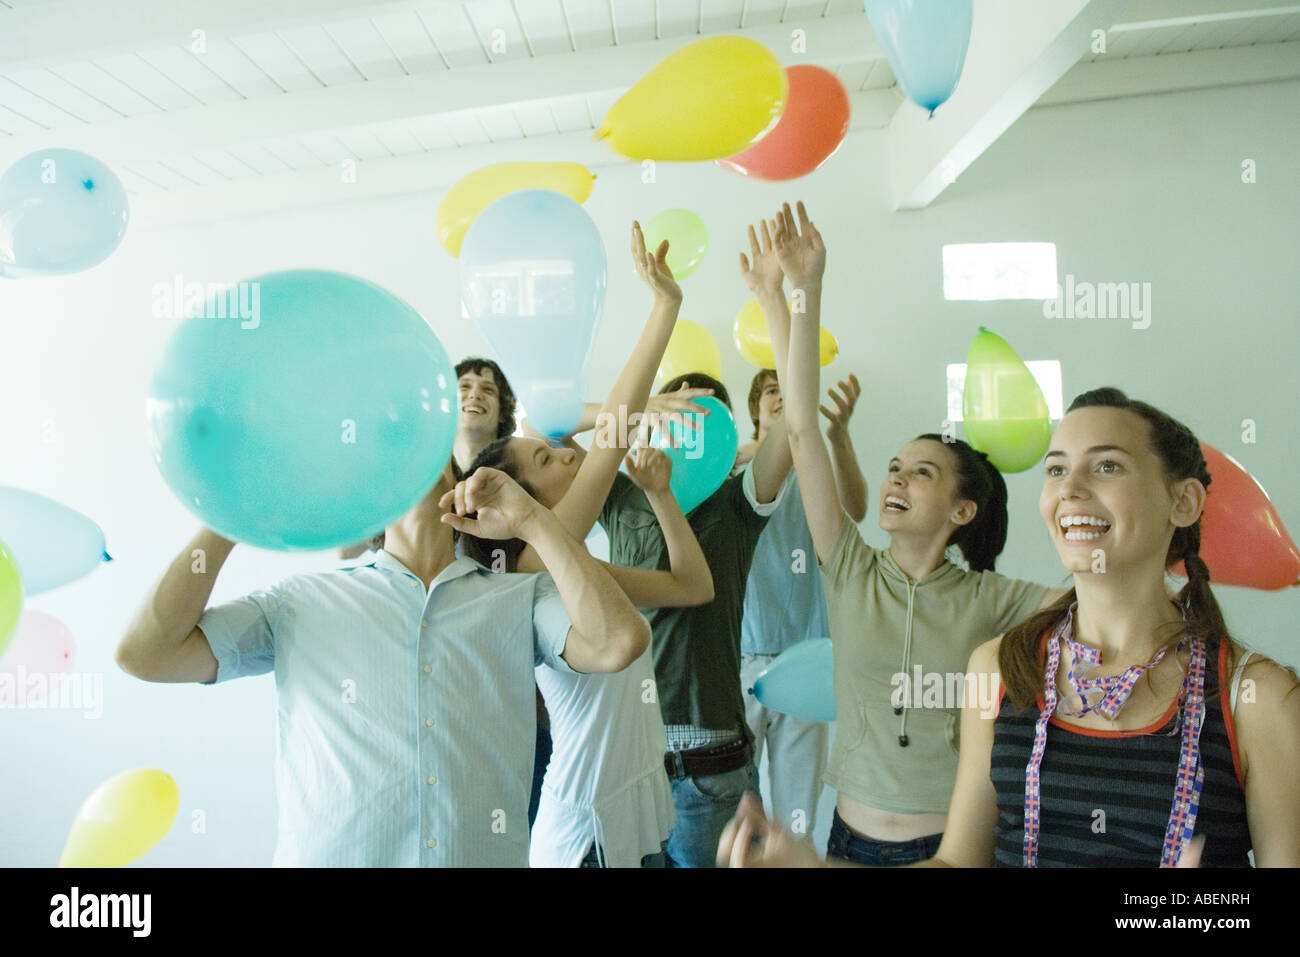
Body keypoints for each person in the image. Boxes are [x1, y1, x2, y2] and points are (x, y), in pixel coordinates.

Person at [718, 388, 1300, 867]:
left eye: (1106, 465)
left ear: (1184, 501)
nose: (1070, 489)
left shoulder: (1259, 698)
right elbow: (956, 865)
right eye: (1055, 469)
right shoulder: (997, 669)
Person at [115, 460, 651, 867]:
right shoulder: (298, 600)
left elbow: (617, 642)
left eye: (433, 455)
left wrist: (534, 522)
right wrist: (232, 520)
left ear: (459, 490)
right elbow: (147, 655)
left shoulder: (519, 597)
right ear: (372, 499)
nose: (417, 460)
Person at [738, 201, 1064, 866]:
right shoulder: (849, 566)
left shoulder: (992, 599)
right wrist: (796, 292)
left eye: (921, 473)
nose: (896, 479)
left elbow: (1100, 605)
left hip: (950, 844)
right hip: (847, 839)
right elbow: (799, 427)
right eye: (894, 467)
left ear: (961, 511)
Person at [461, 222, 711, 867]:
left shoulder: (574, 571)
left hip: (636, 828)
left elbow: (692, 588)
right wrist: (664, 307)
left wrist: (659, 494)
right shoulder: (528, 565)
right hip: (588, 843)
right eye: (547, 459)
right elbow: (613, 437)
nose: (568, 457)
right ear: (522, 500)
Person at [737, 366, 867, 845]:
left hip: (808, 661)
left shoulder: (814, 473)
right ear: (756, 407)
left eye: (790, 392)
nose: (780, 398)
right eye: (772, 391)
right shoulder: (732, 464)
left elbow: (857, 509)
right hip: (739, 659)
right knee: (733, 813)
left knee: (796, 818)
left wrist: (838, 437)